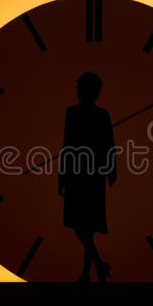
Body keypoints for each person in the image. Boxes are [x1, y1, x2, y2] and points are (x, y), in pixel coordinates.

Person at [58, 72, 117, 283]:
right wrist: (111, 172)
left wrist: (62, 176)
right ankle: (98, 266)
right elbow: (108, 146)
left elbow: (70, 145)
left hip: (82, 174)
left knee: (84, 225)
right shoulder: (97, 114)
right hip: (89, 174)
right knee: (82, 224)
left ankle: (87, 273)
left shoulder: (78, 113)